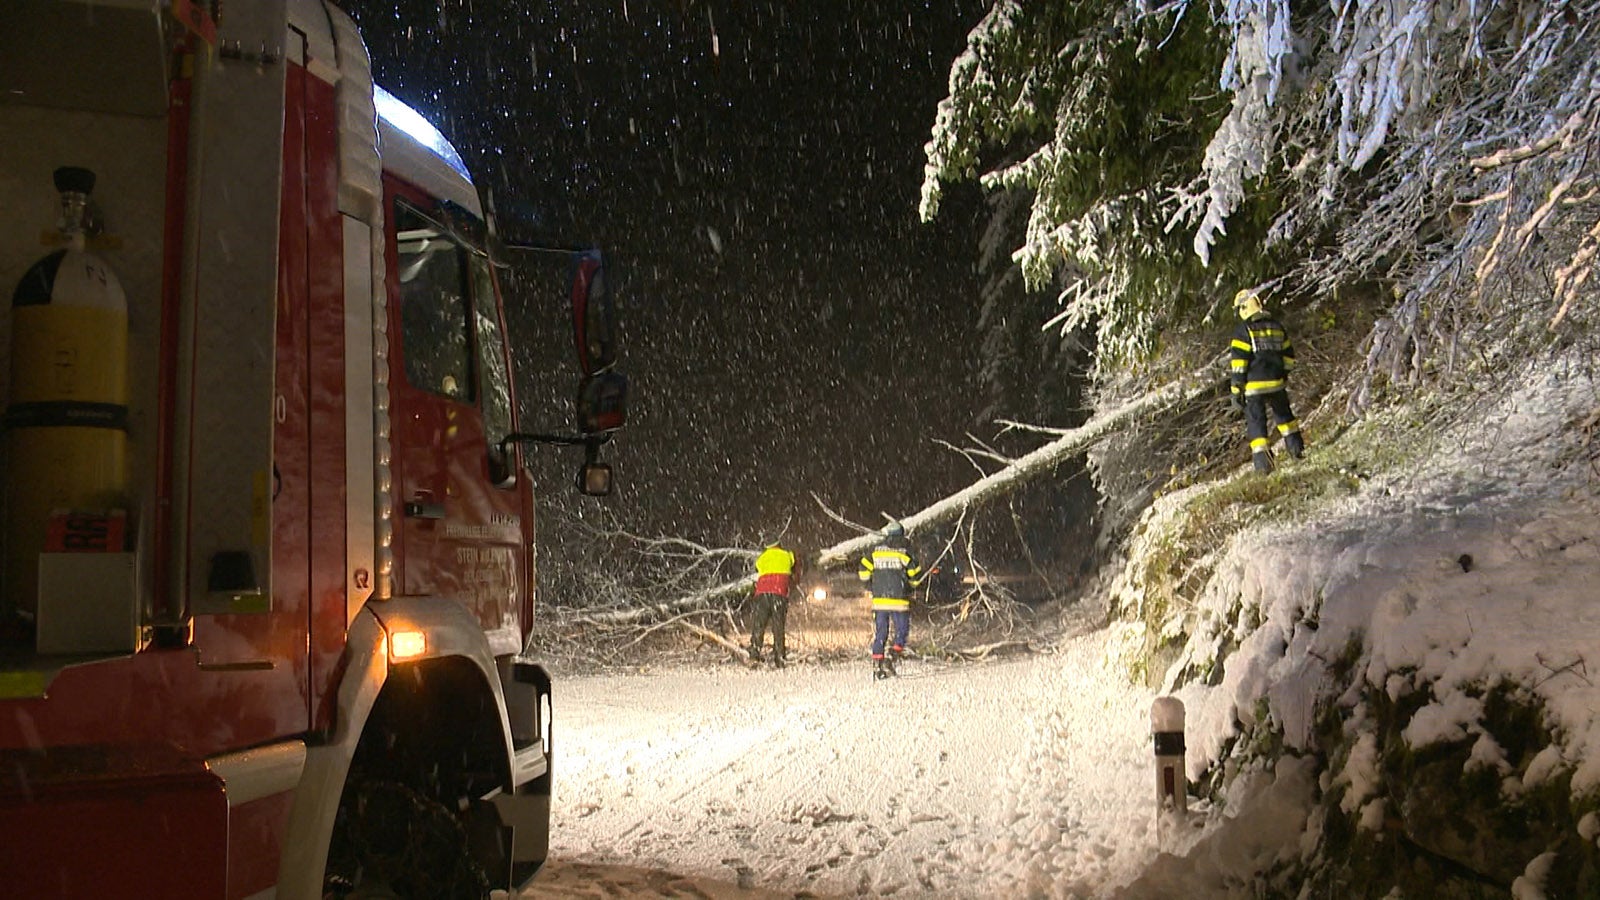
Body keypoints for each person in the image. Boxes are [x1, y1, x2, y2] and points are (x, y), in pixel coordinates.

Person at [1229, 288, 1305, 474]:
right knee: (1285, 418)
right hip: (1277, 384)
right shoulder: (1276, 326)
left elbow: (1239, 364)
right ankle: (1297, 451)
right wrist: (1283, 374)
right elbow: (1289, 356)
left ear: (1244, 308)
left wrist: (1236, 391)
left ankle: (1264, 466)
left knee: (1257, 425)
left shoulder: (1244, 331)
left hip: (1253, 388)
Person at [857, 521, 923, 679]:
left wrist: (871, 586)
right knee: (902, 631)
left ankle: (877, 665)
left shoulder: (875, 551)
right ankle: (893, 655)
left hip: (879, 601)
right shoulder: (905, 551)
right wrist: (910, 587)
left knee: (881, 634)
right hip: (899, 601)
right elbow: (915, 575)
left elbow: (863, 570)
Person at [749, 542, 797, 668]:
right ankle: (779, 657)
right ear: (779, 544)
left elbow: (758, 568)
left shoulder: (762, 557)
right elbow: (793, 564)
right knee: (778, 626)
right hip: (779, 593)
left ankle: (754, 655)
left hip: (762, 593)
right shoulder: (787, 555)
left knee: (759, 626)